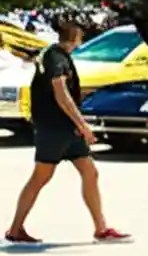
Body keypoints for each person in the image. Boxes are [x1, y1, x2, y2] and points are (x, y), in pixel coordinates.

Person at [5, 22, 128, 244]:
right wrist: (83, 124)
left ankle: (101, 228)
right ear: (74, 35)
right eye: (80, 34)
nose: (82, 37)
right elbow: (60, 92)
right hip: (56, 128)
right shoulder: (57, 58)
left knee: (89, 171)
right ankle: (15, 229)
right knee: (41, 177)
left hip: (65, 128)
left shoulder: (53, 54)